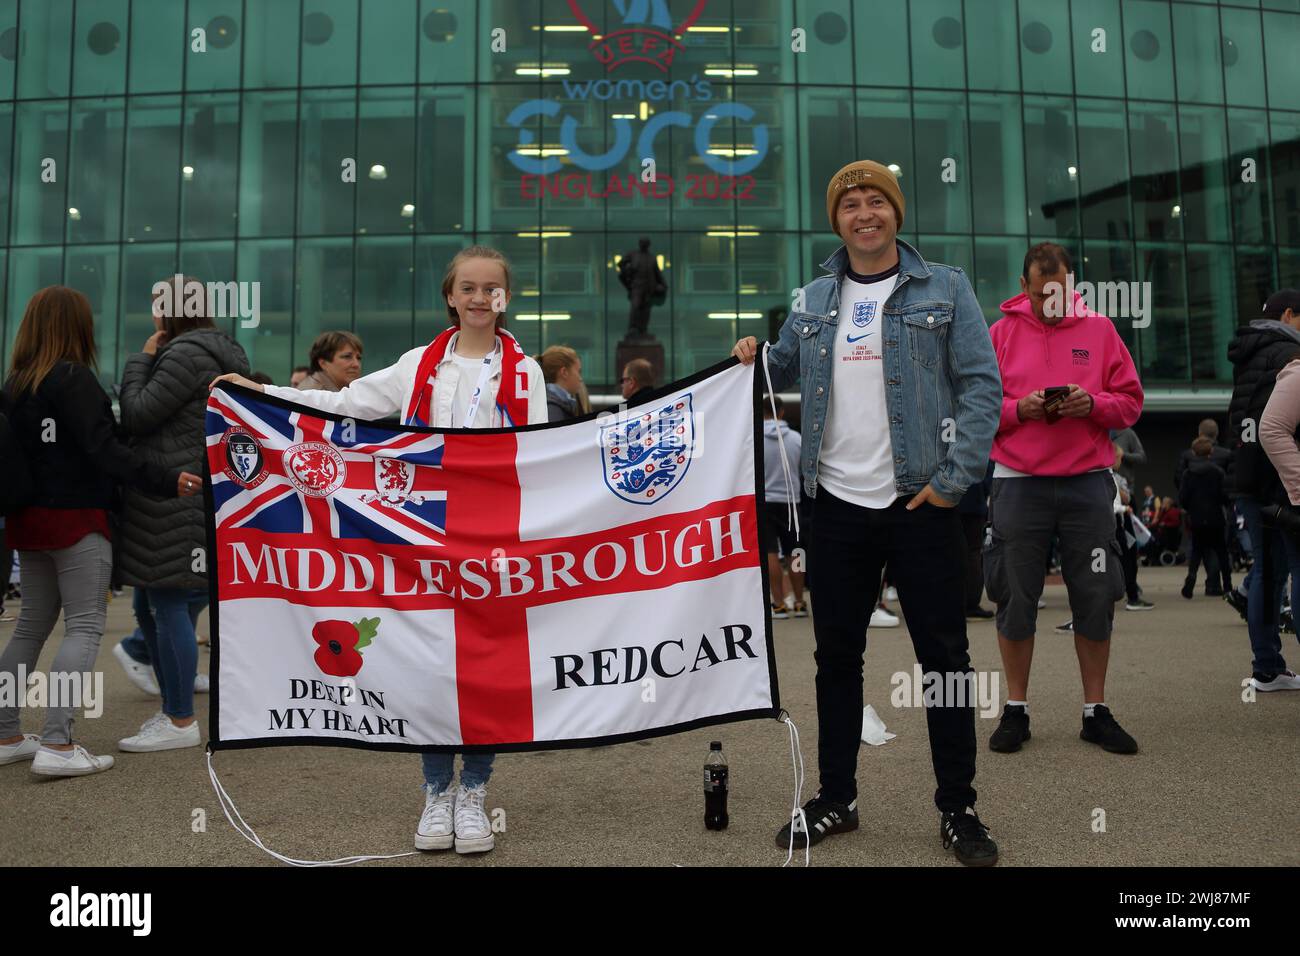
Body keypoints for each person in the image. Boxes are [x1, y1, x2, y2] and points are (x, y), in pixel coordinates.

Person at [213, 245, 547, 852]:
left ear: (505, 297)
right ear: (450, 295)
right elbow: (344, 406)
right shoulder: (419, 363)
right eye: (466, 287)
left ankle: (474, 790)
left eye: (489, 289)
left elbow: (543, 455)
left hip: (495, 535)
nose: (478, 298)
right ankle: (435, 793)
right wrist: (257, 395)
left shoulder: (525, 373)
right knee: (430, 660)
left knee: (485, 662)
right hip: (421, 533)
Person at [732, 159, 1003, 866]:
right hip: (837, 506)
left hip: (922, 502)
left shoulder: (945, 287)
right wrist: (754, 355)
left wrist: (954, 480)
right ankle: (836, 798)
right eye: (850, 203)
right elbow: (781, 368)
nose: (864, 213)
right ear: (838, 220)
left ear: (895, 212)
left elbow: (982, 385)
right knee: (835, 659)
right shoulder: (818, 295)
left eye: (875, 200)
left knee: (943, 657)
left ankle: (958, 808)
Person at [0, 287, 201, 777]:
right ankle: (58, 744)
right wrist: (164, 478)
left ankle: (6, 733)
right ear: (77, 327)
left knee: (29, 627)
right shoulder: (75, 379)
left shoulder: (14, 384)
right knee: (85, 626)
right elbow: (105, 450)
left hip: (27, 522)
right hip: (77, 519)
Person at [983, 243, 1144, 758]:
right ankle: (1016, 709)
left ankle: (1095, 711)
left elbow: (1132, 403)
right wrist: (1018, 411)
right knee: (1014, 595)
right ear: (1023, 286)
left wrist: (1092, 403)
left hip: (1086, 482)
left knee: (1096, 594)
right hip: (1017, 479)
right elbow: (977, 406)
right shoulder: (999, 334)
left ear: (1072, 283)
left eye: (1060, 293)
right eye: (1040, 294)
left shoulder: (1100, 330)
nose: (1051, 303)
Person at [114, 275, 250, 752]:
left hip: (175, 496)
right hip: (189, 493)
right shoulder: (220, 351)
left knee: (169, 603)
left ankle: (178, 720)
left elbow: (136, 414)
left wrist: (141, 359)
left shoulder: (182, 354)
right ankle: (174, 699)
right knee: (151, 603)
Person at [1226, 288, 1300, 692]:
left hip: (1248, 476)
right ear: (1289, 314)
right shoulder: (1285, 354)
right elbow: (1278, 426)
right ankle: (1269, 667)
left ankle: (1266, 667)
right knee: (1292, 568)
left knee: (1265, 572)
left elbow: (1242, 418)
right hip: (1279, 480)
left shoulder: (1249, 353)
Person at [762, 395, 806, 619]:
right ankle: (800, 602)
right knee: (796, 552)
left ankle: (778, 604)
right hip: (792, 503)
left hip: (765, 502)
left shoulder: (753, 438)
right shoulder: (796, 439)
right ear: (781, 412)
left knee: (770, 553)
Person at [1178, 437, 1231, 599]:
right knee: (1222, 552)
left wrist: (1190, 509)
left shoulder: (1188, 474)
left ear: (1193, 453)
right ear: (1211, 452)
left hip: (1197, 518)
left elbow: (1183, 498)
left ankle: (1191, 577)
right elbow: (1225, 496)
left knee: (1196, 551)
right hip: (1216, 518)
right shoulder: (1218, 472)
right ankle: (1227, 585)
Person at [959, 462, 995, 620]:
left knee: (942, 552)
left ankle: (947, 602)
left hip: (942, 497)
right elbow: (989, 469)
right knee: (973, 552)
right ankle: (971, 604)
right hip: (973, 498)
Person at [298, 332, 363, 391]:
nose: (356, 364)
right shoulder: (315, 396)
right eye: (347, 357)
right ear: (323, 363)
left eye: (359, 358)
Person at [539, 345, 588, 422]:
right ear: (564, 372)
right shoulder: (553, 409)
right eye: (579, 371)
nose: (580, 378)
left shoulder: (552, 404)